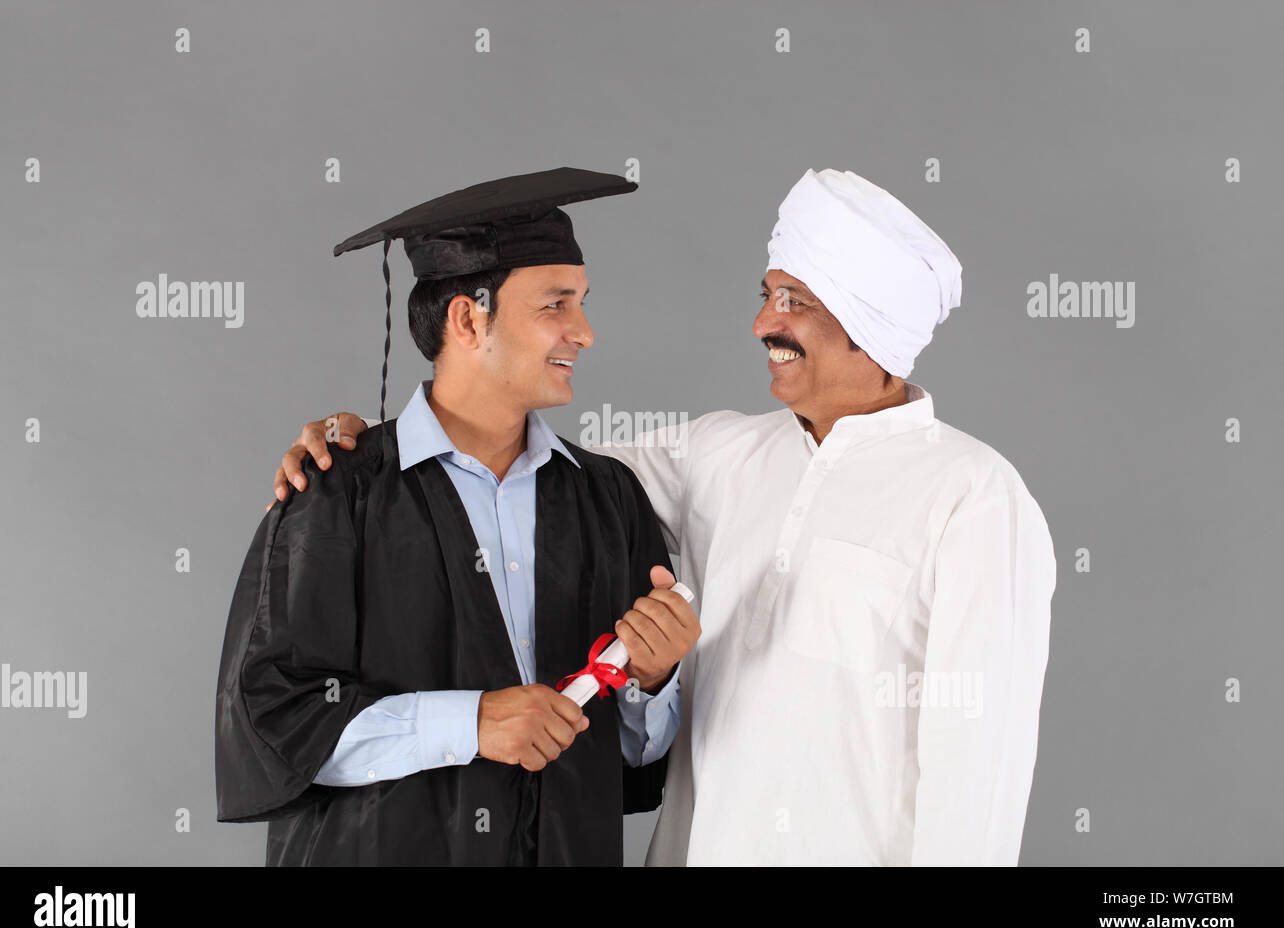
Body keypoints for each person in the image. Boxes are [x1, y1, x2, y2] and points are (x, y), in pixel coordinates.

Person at [269, 168, 1056, 866]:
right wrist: (363, 446)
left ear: (874, 324)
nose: (763, 324)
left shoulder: (973, 498)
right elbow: (509, 462)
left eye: (796, 303)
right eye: (765, 294)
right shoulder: (723, 454)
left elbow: (975, 778)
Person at [216, 168, 701, 866]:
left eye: (583, 303)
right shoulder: (338, 491)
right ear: (469, 318)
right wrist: (470, 723)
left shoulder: (608, 497)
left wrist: (651, 683)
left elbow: (630, 758)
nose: (585, 332)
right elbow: (272, 722)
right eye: (556, 305)